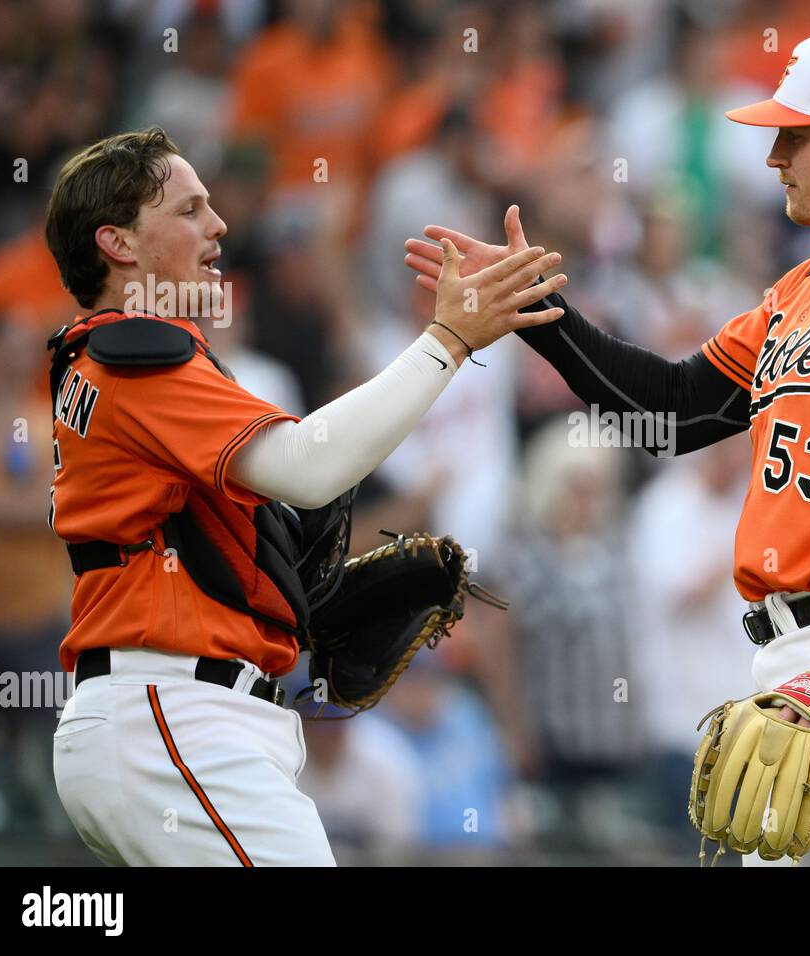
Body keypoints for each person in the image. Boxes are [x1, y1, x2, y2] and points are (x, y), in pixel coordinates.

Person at [407, 31, 810, 866]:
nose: (774, 156)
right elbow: (679, 411)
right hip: (800, 656)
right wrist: (538, 312)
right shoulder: (807, 286)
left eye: (798, 134)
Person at [46, 127, 565, 866]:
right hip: (170, 714)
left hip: (167, 715)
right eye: (190, 210)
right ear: (119, 244)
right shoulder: (135, 355)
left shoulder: (117, 358)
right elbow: (307, 466)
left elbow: (229, 530)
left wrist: (295, 603)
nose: (219, 225)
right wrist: (447, 340)